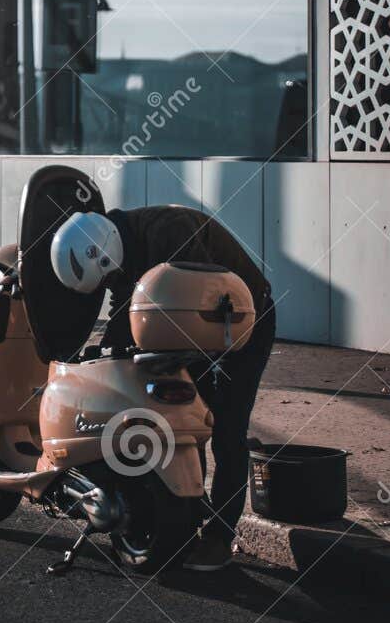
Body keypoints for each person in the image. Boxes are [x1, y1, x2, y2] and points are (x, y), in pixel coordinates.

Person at [49, 204, 275, 572]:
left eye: (110, 277)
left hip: (240, 320)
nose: (112, 281)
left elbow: (204, 297)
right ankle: (187, 514)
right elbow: (124, 306)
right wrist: (102, 357)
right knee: (182, 421)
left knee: (226, 427)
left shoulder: (172, 230)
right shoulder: (115, 250)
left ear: (105, 253)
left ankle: (219, 537)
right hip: (186, 322)